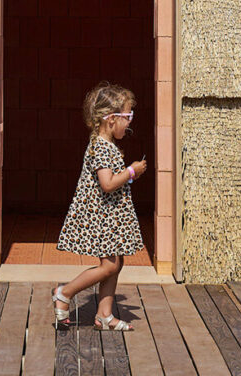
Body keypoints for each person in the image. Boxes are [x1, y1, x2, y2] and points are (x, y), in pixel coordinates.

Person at [51, 81, 147, 330]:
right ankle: (65, 292)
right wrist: (131, 171)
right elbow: (107, 183)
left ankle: (104, 315)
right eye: (128, 116)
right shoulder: (101, 147)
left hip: (109, 215)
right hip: (101, 215)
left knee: (117, 262)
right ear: (111, 119)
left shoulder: (104, 144)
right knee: (110, 265)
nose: (130, 122)